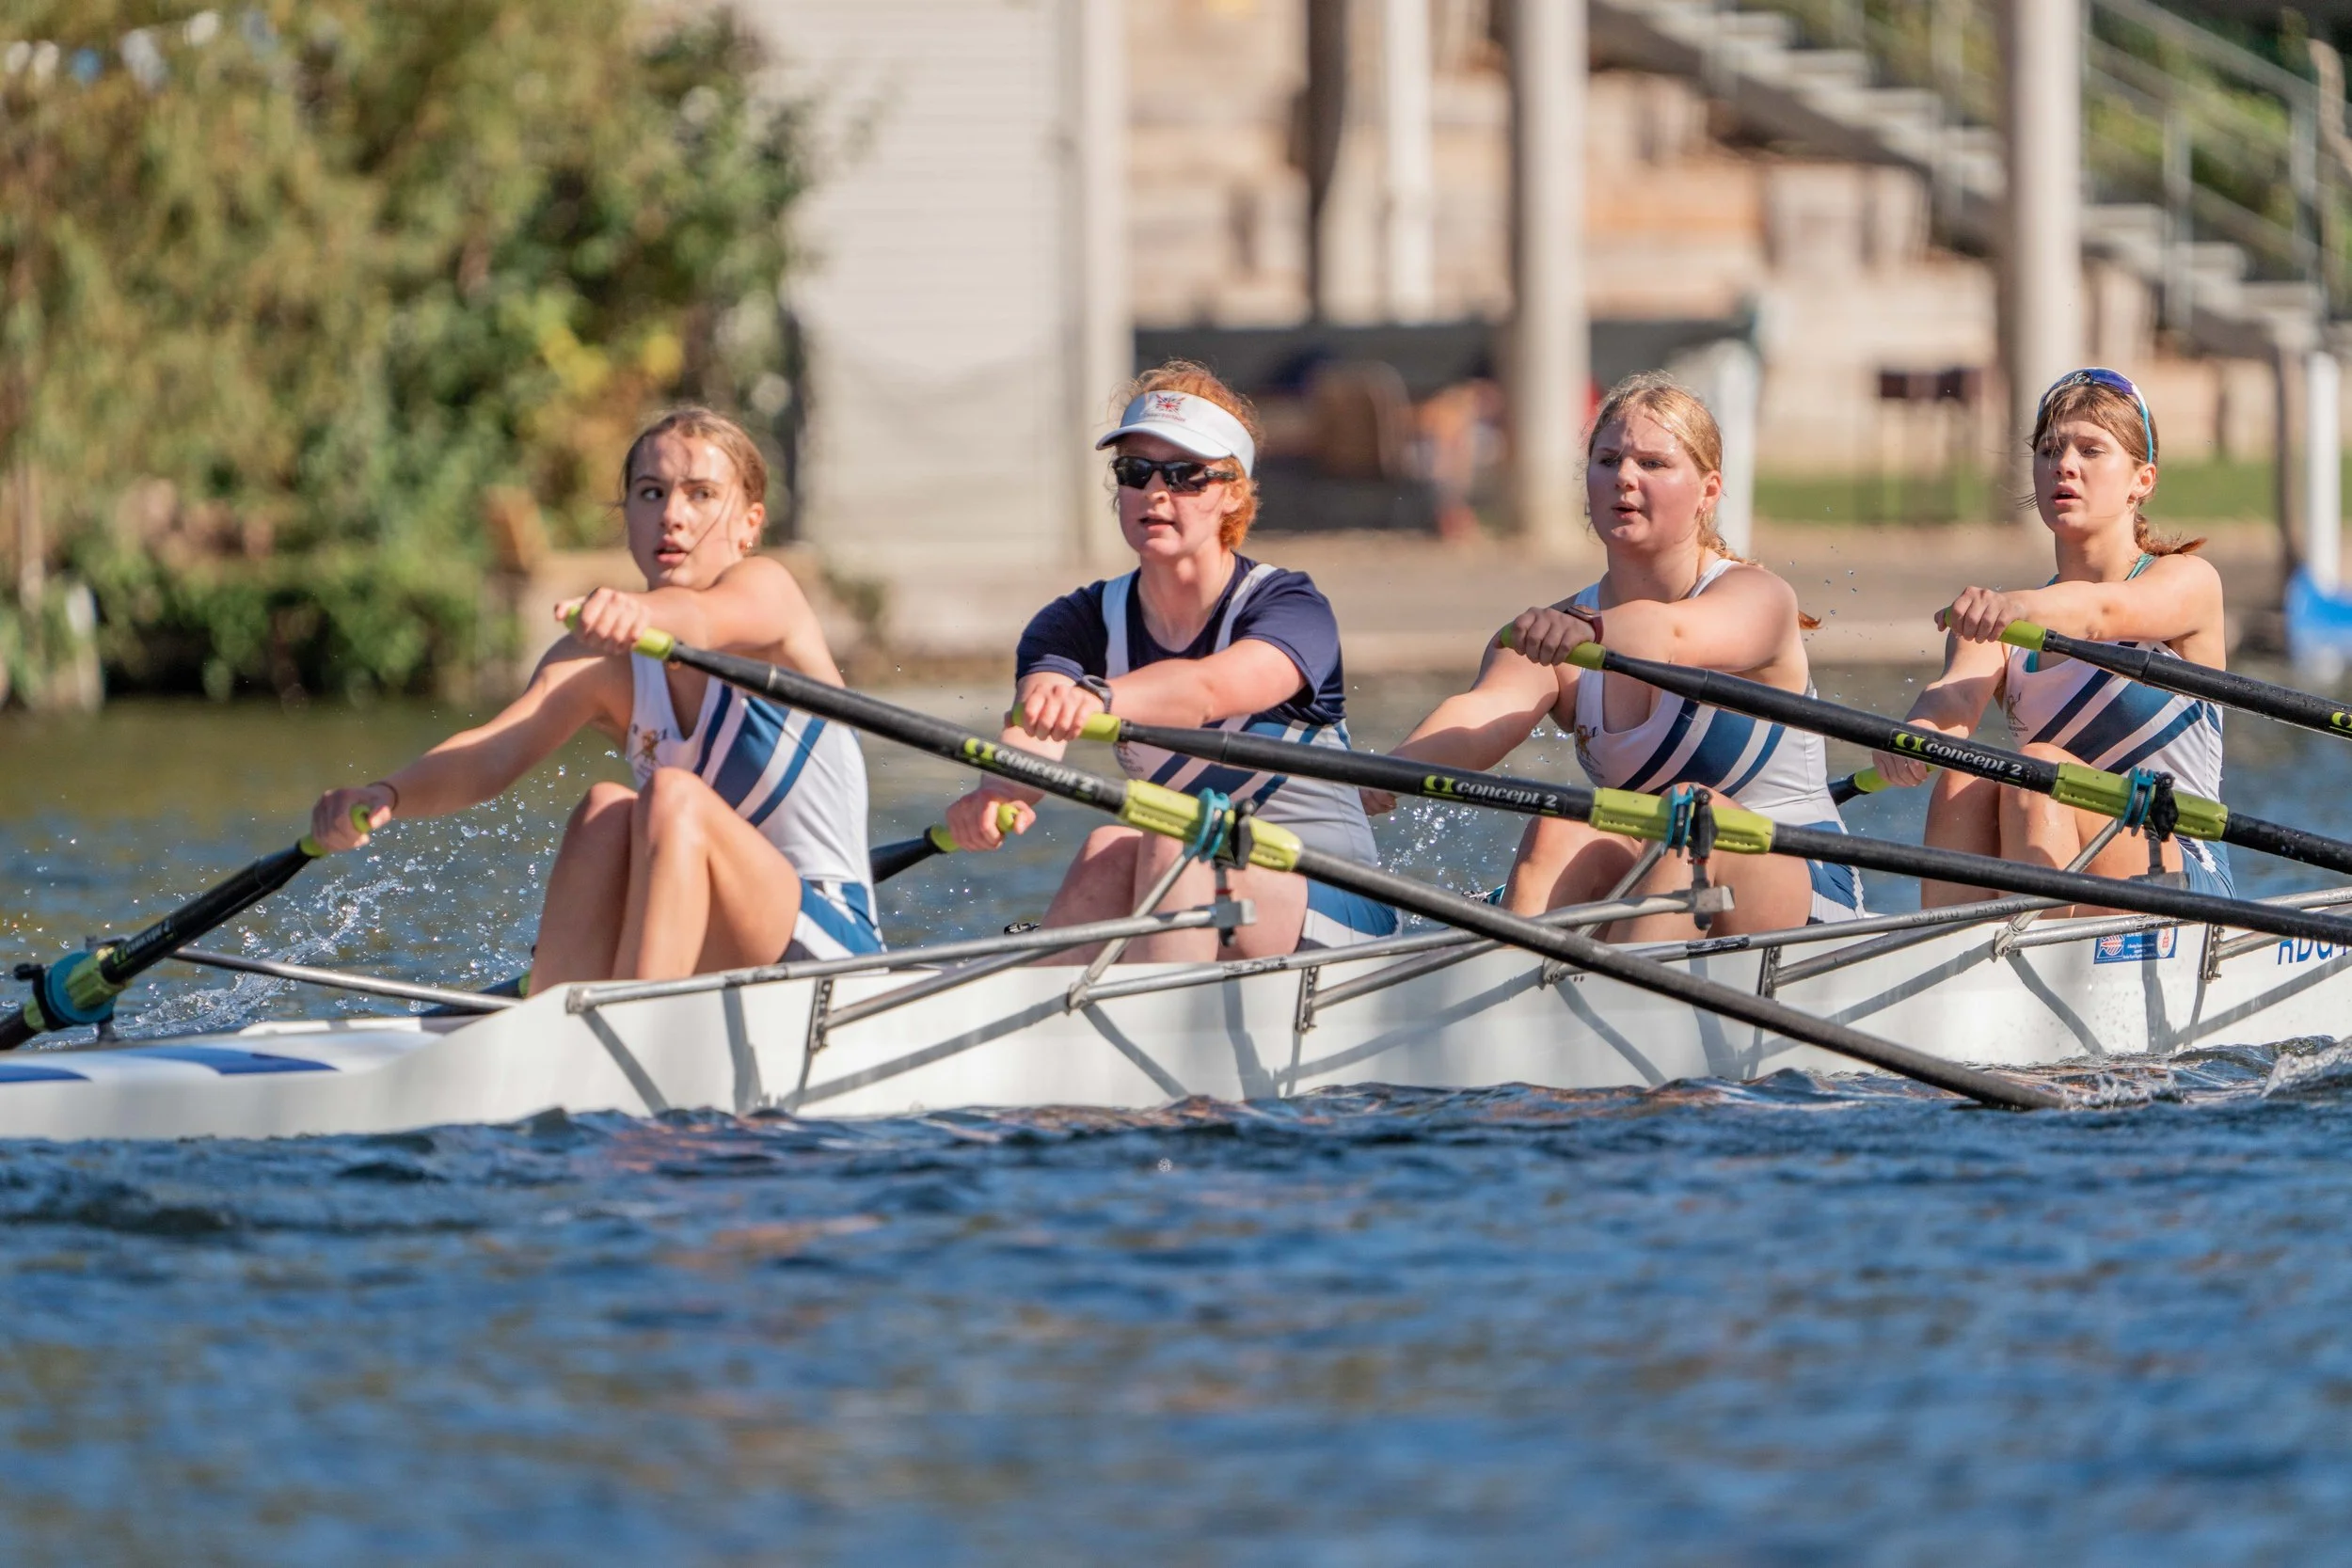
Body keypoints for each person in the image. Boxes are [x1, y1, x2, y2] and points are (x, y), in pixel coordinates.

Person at [306, 407, 880, 989]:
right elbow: (490, 753)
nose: (672, 516)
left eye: (702, 494)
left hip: (833, 952)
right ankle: (560, 1034)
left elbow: (699, 620)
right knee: (605, 809)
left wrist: (638, 612)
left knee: (672, 798)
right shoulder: (607, 663)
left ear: (748, 525)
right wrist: (385, 793)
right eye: (651, 494)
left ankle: (628, 1036)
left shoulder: (768, 595)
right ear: (627, 516)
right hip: (708, 950)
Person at [1369, 372, 1863, 940]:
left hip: (1801, 891)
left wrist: (1586, 630)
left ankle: (1606, 999)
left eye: (1653, 464)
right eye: (1608, 461)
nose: (1625, 478)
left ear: (1709, 491)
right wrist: (1383, 778)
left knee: (1691, 809)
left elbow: (1671, 635)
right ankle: (1512, 994)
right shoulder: (1561, 637)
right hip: (1650, 884)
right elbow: (1479, 716)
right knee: (1563, 825)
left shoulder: (1758, 598)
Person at [941, 361, 1397, 960]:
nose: (1156, 492)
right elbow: (1038, 724)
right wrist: (1000, 793)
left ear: (1233, 491)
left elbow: (1209, 689)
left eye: (1186, 475)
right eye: (1136, 471)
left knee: (1167, 838)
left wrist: (1099, 698)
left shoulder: (1291, 608)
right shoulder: (1073, 622)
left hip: (1335, 906)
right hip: (1200, 887)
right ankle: (1044, 1021)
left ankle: (1155, 1026)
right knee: (1109, 847)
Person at [1868, 368, 2229, 908]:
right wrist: (1916, 734)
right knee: (1961, 782)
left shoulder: (2187, 582)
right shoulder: (2003, 627)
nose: (2065, 464)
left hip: (2180, 866)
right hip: (2057, 849)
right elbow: (1954, 698)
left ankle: (2037, 951)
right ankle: (1953, 959)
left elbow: (2103, 611)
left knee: (2037, 768)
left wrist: (2015, 606)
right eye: (2050, 450)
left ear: (2142, 480)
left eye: (2091, 450)